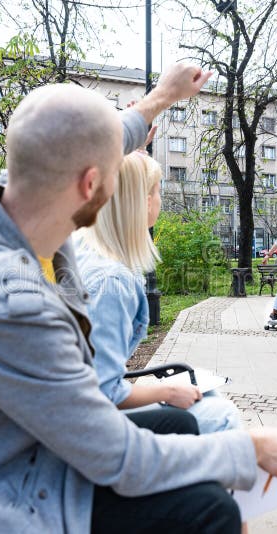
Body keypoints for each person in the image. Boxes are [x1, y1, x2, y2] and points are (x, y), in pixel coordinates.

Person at [0, 63, 277, 534]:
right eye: (115, 171)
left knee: (181, 431)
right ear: (91, 184)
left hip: (18, 449)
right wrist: (249, 451)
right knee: (211, 510)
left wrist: (160, 99)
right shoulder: (7, 300)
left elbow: (100, 140)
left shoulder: (11, 199)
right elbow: (119, 459)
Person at [76, 152, 241, 434]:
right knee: (222, 415)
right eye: (156, 191)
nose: (160, 200)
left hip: (69, 408)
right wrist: (164, 392)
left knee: (208, 395)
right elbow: (101, 392)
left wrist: (131, 151)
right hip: (83, 425)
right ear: (141, 202)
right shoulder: (112, 282)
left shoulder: (82, 244)